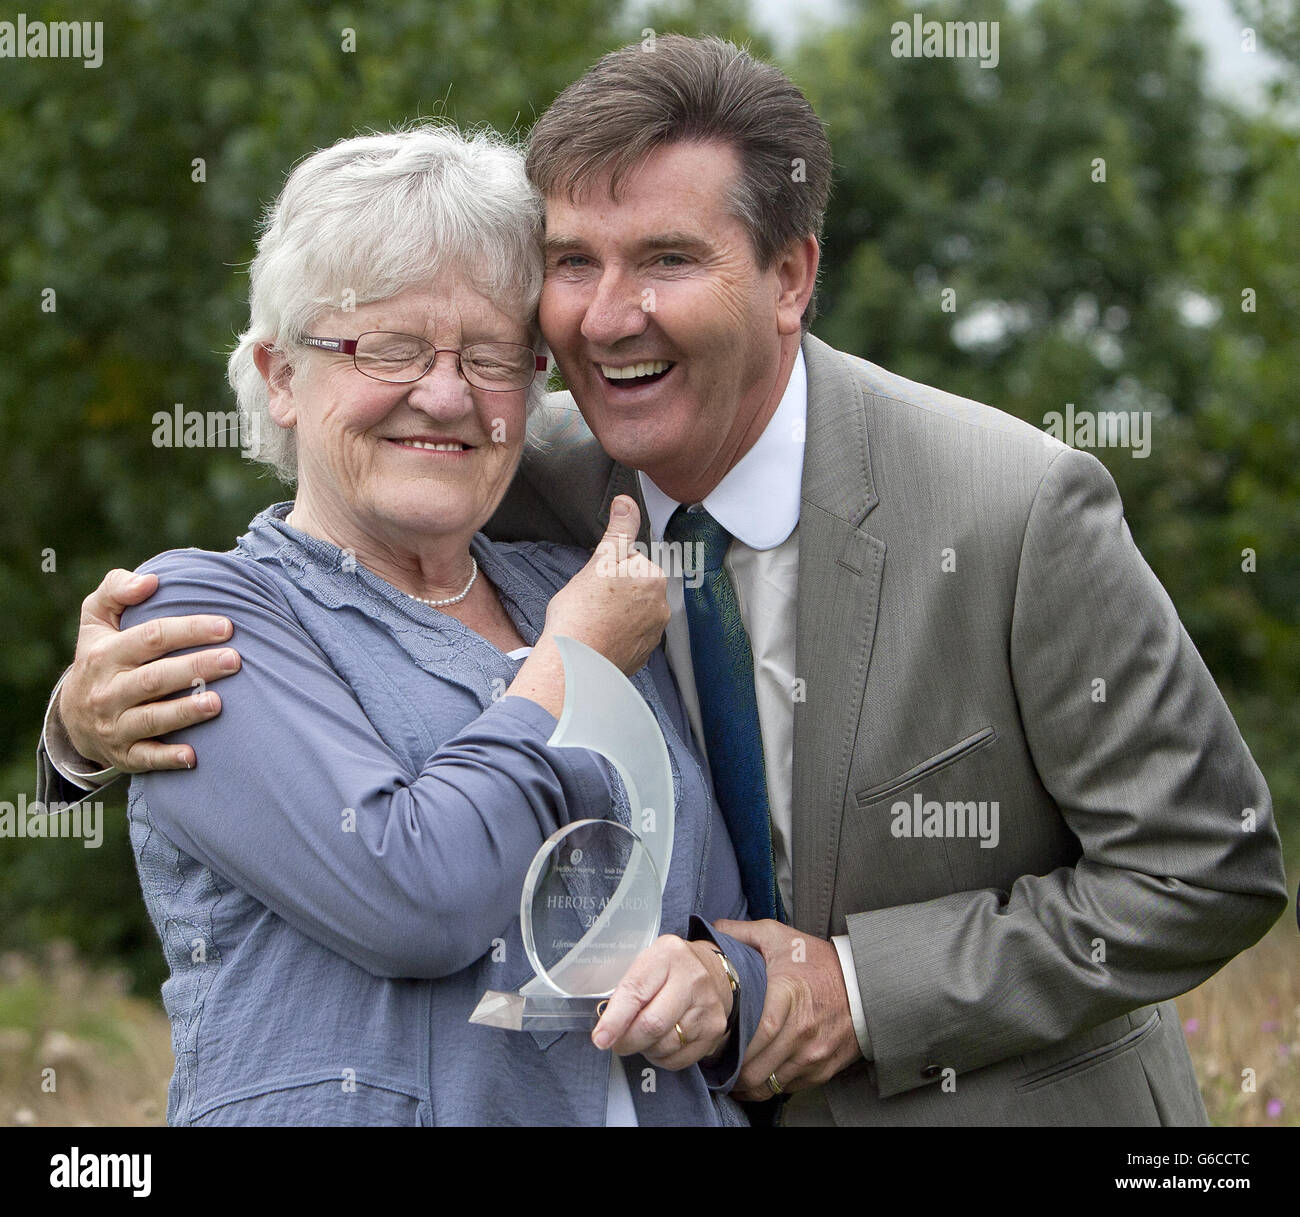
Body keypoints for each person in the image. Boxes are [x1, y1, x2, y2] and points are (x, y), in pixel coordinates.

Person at [42, 37, 1287, 1126]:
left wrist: (845, 989)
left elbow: (1206, 867)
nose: (608, 317)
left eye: (669, 259)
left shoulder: (1013, 508)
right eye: (572, 264)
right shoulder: (540, 498)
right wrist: (83, 728)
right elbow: (323, 573)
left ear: (790, 277)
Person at [38, 123, 767, 1126]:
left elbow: (706, 892)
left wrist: (713, 976)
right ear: (282, 376)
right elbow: (414, 894)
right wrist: (572, 661)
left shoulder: (582, 580)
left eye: (492, 355)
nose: (445, 392)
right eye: (386, 346)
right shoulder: (208, 613)